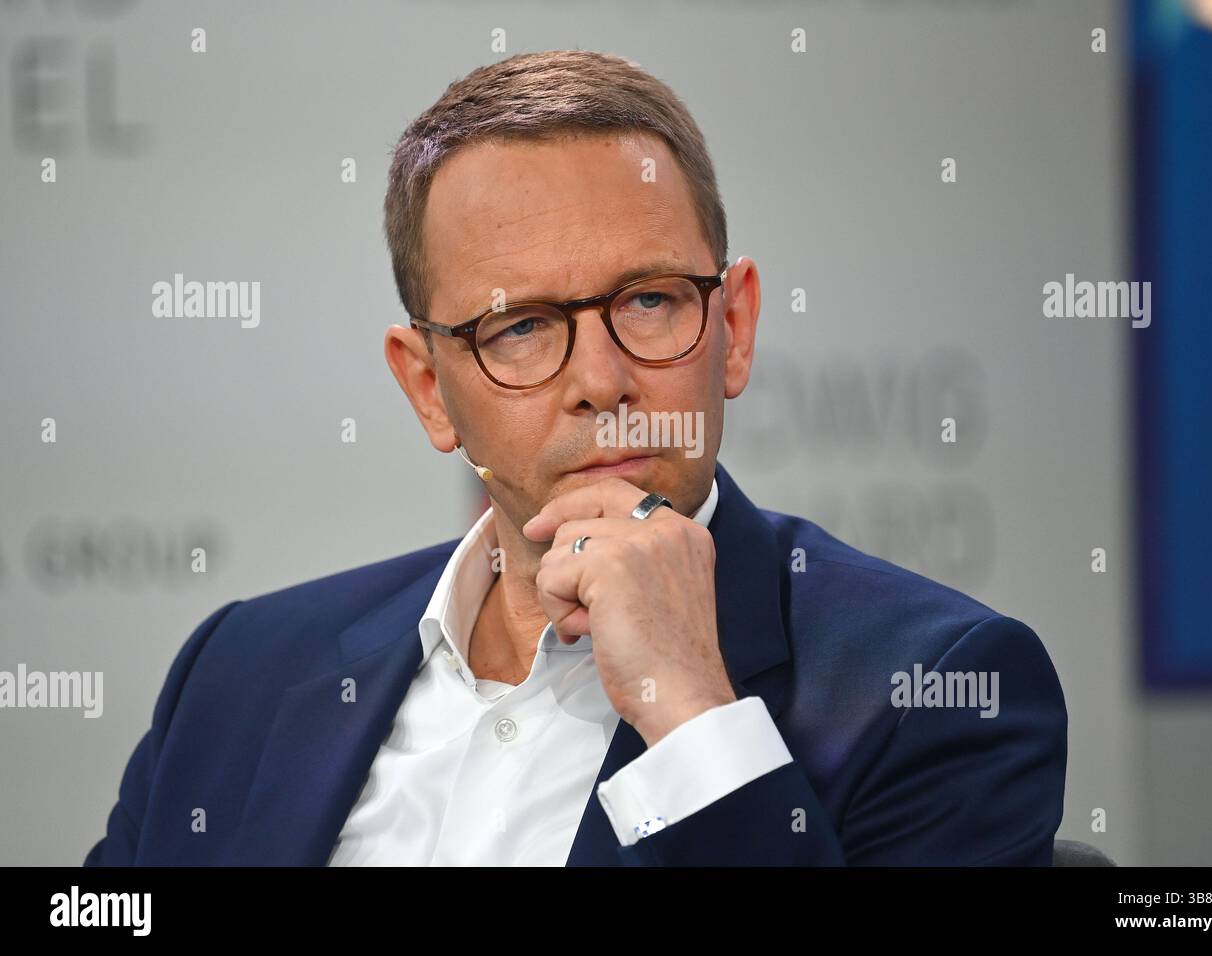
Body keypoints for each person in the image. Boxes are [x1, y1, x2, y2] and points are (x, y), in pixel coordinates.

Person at [85, 49, 1066, 867]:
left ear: (734, 325)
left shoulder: (935, 691)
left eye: (647, 300)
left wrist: (690, 716)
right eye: (520, 326)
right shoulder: (242, 672)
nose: (600, 379)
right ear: (429, 387)